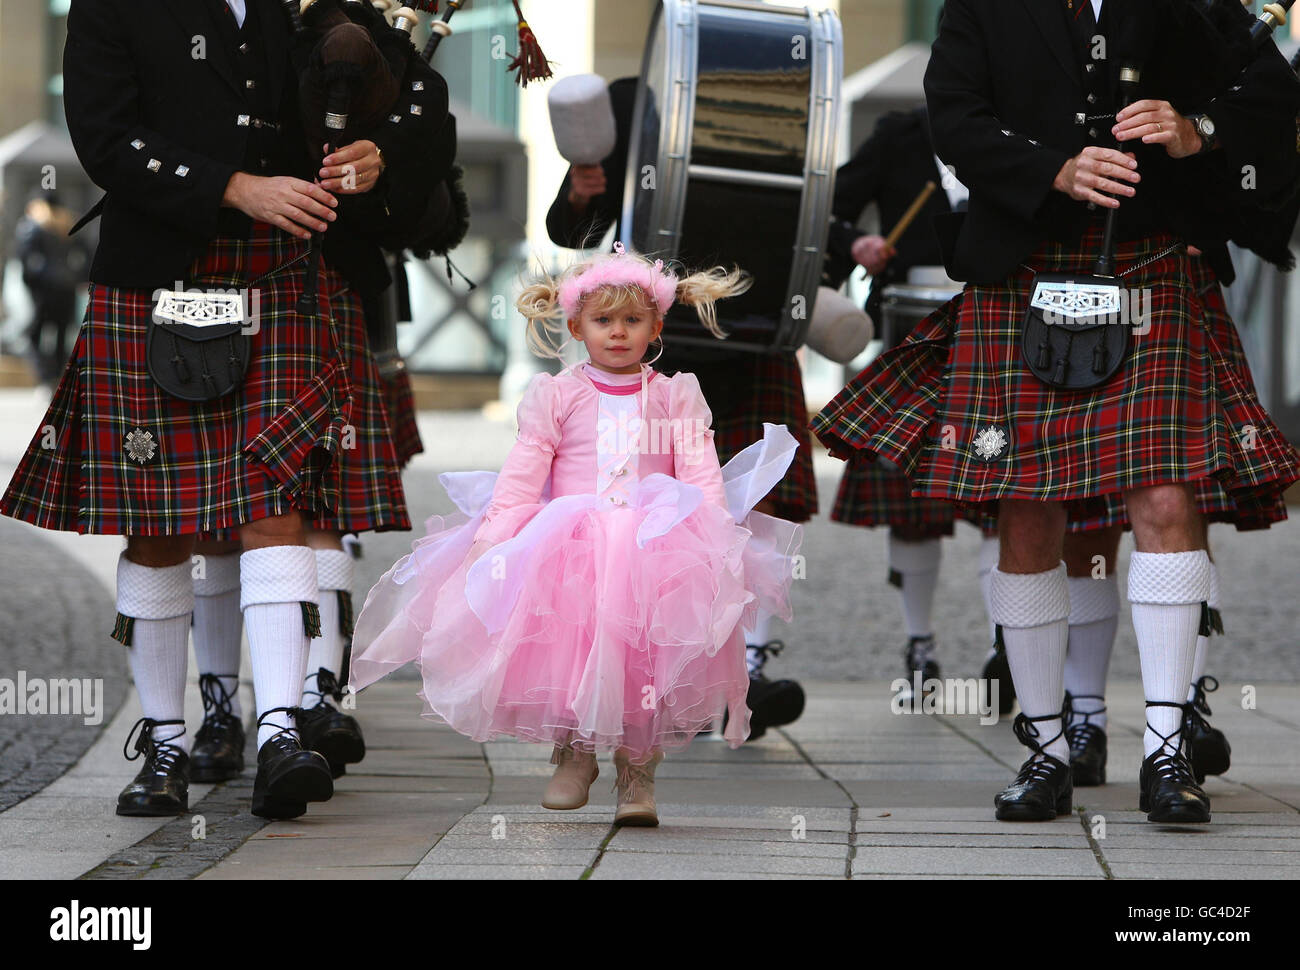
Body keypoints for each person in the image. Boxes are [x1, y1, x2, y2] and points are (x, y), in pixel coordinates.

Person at [812, 0, 1300, 824]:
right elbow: (957, 118)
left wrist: (1197, 129)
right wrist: (1053, 170)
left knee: (1167, 496)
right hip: (1024, 269)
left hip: (1153, 264)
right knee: (1028, 510)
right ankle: (1046, 751)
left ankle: (1166, 753)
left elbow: (1274, 87)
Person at [0, 0, 409, 821]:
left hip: (280, 270)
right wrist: (232, 187)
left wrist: (367, 158)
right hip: (155, 274)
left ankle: (281, 730)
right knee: (157, 526)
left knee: (276, 506)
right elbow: (106, 139)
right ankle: (164, 745)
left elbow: (351, 128)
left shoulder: (302, 9)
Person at [348, 244, 803, 826]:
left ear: (656, 326)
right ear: (576, 327)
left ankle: (637, 772)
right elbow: (523, 473)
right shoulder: (557, 395)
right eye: (603, 321)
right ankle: (574, 752)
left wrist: (714, 536)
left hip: (653, 542)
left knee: (644, 657)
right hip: (570, 544)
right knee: (571, 646)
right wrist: (497, 536)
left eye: (632, 321)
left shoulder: (673, 394)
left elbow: (698, 468)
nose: (618, 333)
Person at [547, 76, 809, 740]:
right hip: (651, 337)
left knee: (761, 491)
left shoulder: (784, 91)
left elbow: (810, 204)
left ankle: (747, 661)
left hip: (751, 325)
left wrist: (818, 274)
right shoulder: (631, 98)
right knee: (652, 503)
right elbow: (572, 224)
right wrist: (579, 192)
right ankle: (667, 667)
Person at [824, 105, 1008, 706]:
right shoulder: (900, 134)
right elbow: (829, 207)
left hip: (1002, 321)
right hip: (913, 332)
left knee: (1003, 499)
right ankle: (920, 645)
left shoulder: (1020, 125)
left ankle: (1004, 644)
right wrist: (857, 242)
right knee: (912, 505)